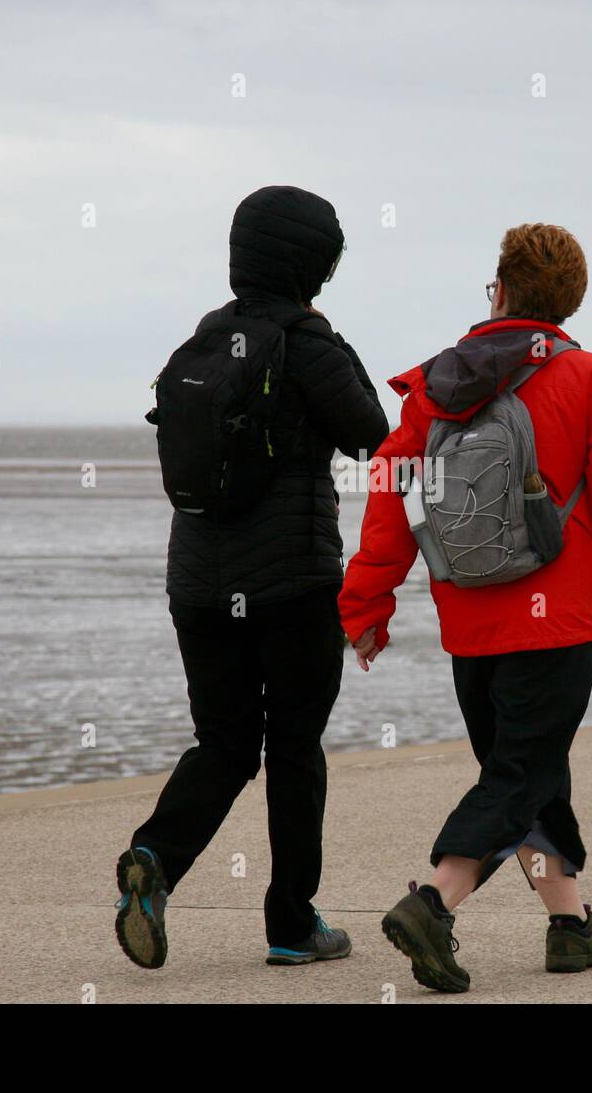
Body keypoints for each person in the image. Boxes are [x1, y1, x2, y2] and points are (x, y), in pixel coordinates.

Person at [339, 223, 592, 993]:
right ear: (570, 304)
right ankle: (433, 903)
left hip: (469, 620)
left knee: (526, 773)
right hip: (558, 623)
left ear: (501, 290)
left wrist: (368, 602)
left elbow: (390, 497)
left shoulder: (437, 387)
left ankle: (571, 927)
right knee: (520, 772)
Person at [115, 186, 389, 970]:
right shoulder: (306, 343)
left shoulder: (202, 341)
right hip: (293, 585)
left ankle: (154, 858)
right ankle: (292, 923)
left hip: (197, 585)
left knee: (226, 742)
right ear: (314, 262)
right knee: (294, 747)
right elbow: (376, 438)